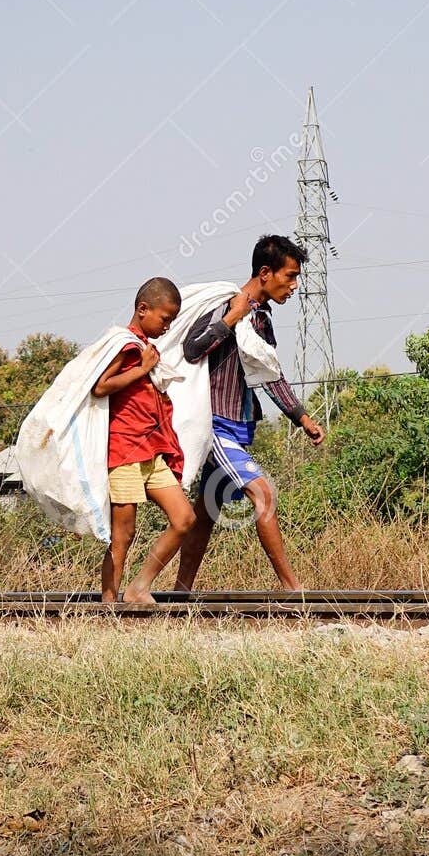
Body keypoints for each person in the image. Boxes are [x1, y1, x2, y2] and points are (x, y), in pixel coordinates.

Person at [175, 235, 324, 591]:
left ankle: (176, 592)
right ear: (265, 273)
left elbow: (270, 373)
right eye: (289, 276)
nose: (294, 285)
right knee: (264, 495)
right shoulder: (228, 306)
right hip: (214, 426)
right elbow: (192, 349)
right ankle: (292, 589)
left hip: (239, 426)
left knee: (204, 516)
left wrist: (301, 417)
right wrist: (230, 318)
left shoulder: (262, 320)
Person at [90, 277, 196, 605]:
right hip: (124, 451)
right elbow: (101, 386)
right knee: (123, 535)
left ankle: (138, 587)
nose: (166, 327)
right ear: (143, 309)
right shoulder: (125, 344)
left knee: (184, 519)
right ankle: (109, 605)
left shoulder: (145, 347)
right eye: (164, 319)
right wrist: (142, 369)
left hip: (151, 451)